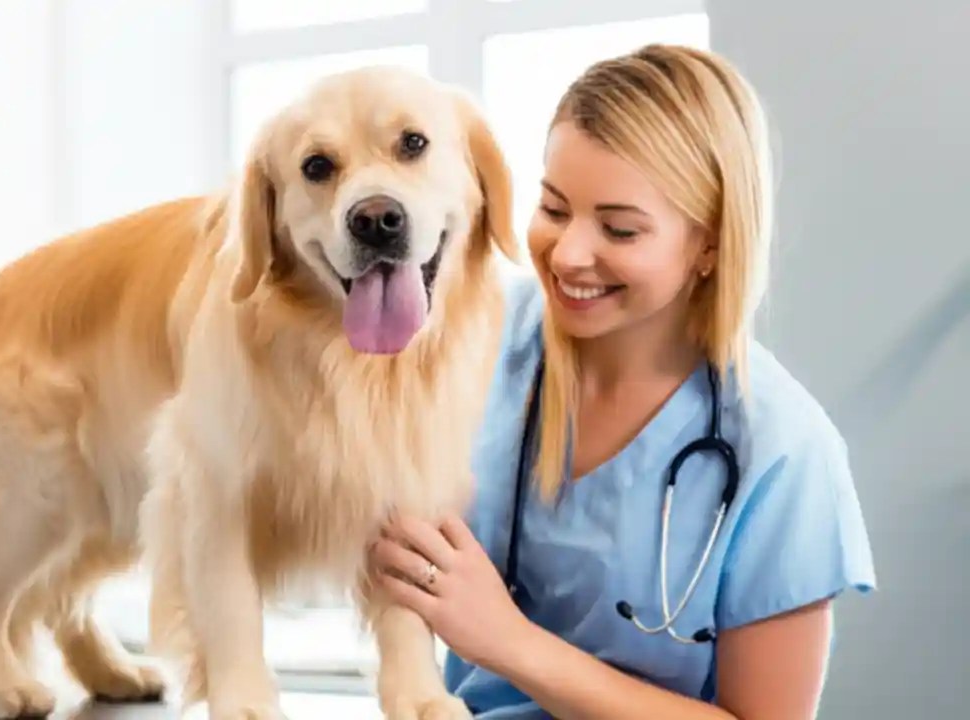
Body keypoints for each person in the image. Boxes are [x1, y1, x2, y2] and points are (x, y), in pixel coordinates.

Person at [368, 43, 876, 719]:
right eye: (553, 208)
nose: (570, 254)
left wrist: (509, 641)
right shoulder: (476, 338)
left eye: (620, 229)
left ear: (711, 243)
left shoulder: (784, 452)